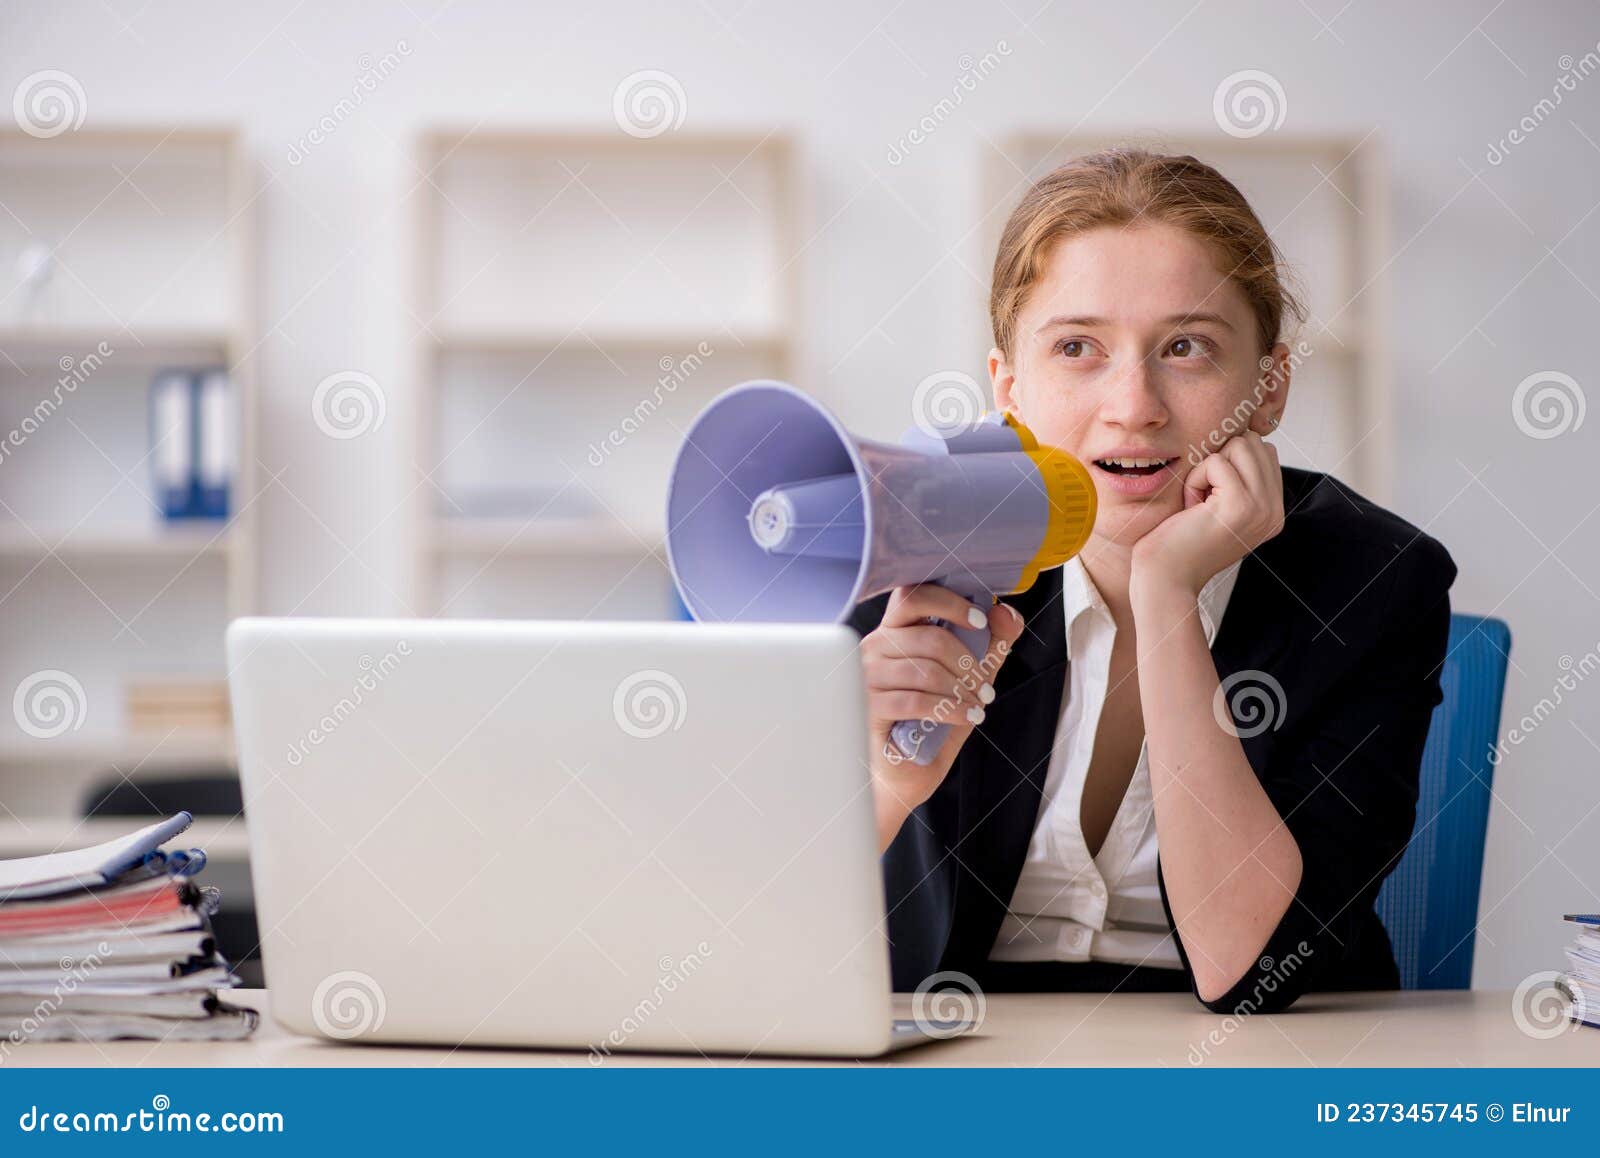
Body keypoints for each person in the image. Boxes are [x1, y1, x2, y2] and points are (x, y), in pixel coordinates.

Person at [851, 148, 1456, 1014]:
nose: (1134, 404)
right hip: (967, 1050)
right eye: (1077, 347)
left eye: (1186, 347)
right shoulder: (915, 546)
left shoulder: (1377, 585)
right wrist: (882, 791)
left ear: (1270, 385)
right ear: (1009, 390)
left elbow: (1243, 968)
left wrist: (1166, 590)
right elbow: (751, 945)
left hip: (1261, 1072)